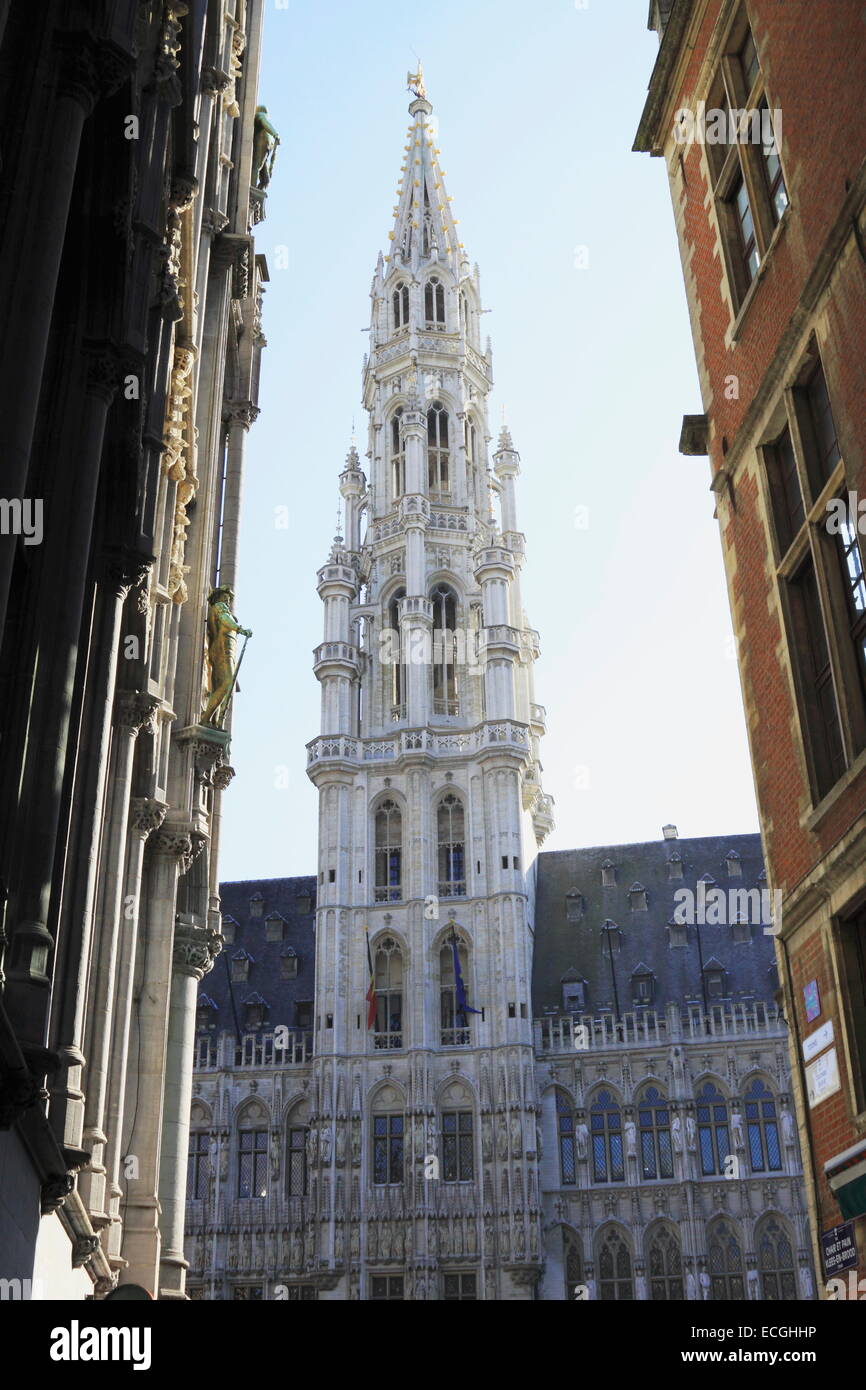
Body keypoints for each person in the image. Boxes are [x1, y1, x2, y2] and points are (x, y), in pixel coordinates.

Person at [203, 586, 251, 725]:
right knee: (228, 683)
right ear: (219, 598)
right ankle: (207, 719)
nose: (228, 601)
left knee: (220, 687)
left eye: (229, 599)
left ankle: (212, 721)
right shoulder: (219, 607)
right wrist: (240, 629)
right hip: (223, 649)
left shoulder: (221, 608)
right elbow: (224, 619)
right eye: (226, 598)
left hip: (224, 650)